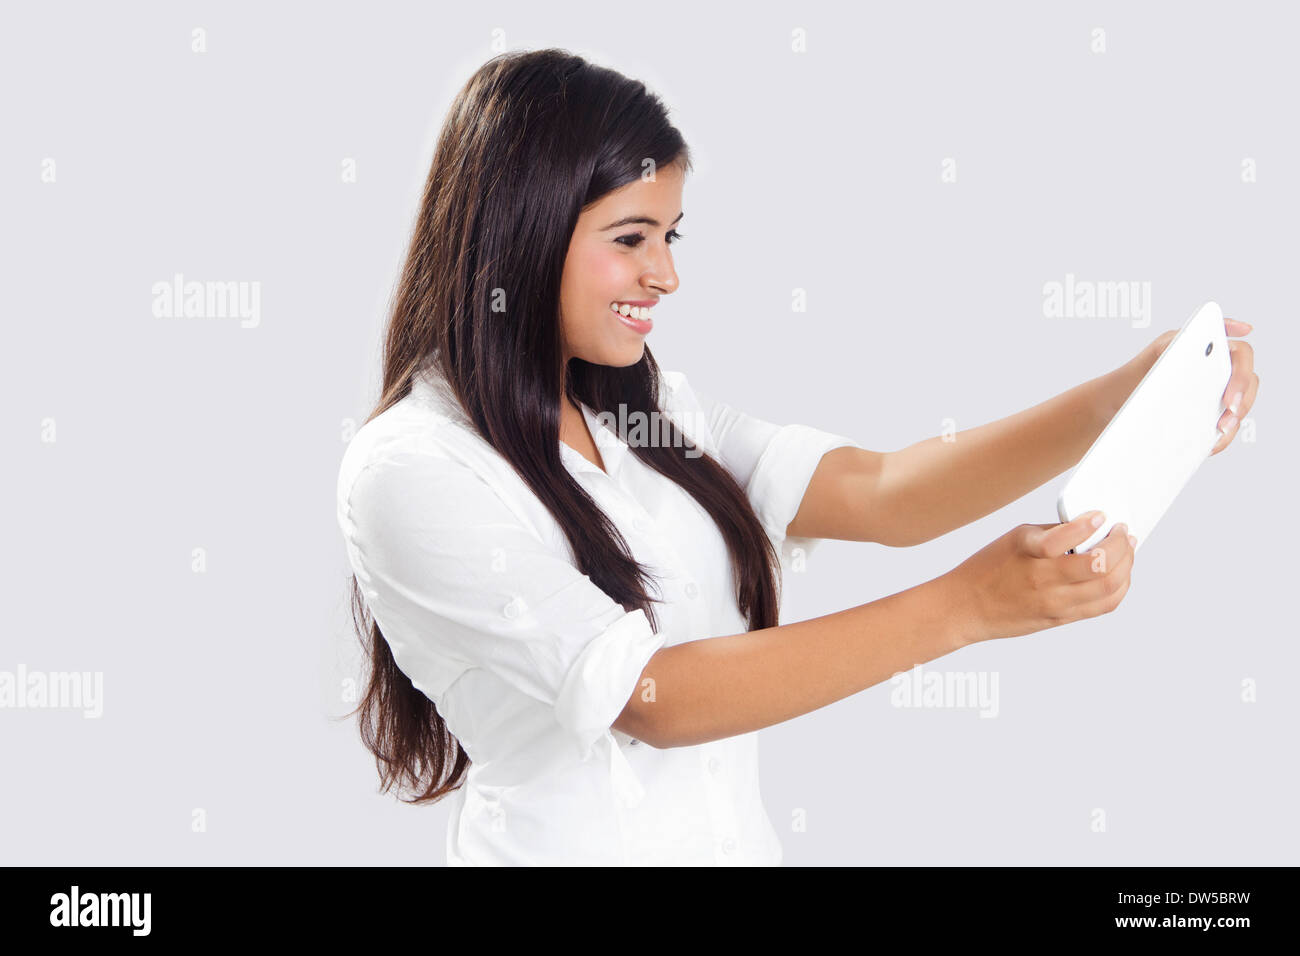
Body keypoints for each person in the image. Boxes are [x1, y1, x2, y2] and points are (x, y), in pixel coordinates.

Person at [335, 48, 1260, 865]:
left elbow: (884, 492)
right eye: (631, 240)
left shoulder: (646, 413)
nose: (666, 274)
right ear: (521, 235)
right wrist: (969, 607)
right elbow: (652, 695)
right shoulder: (410, 470)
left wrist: (1125, 393)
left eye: (670, 235)